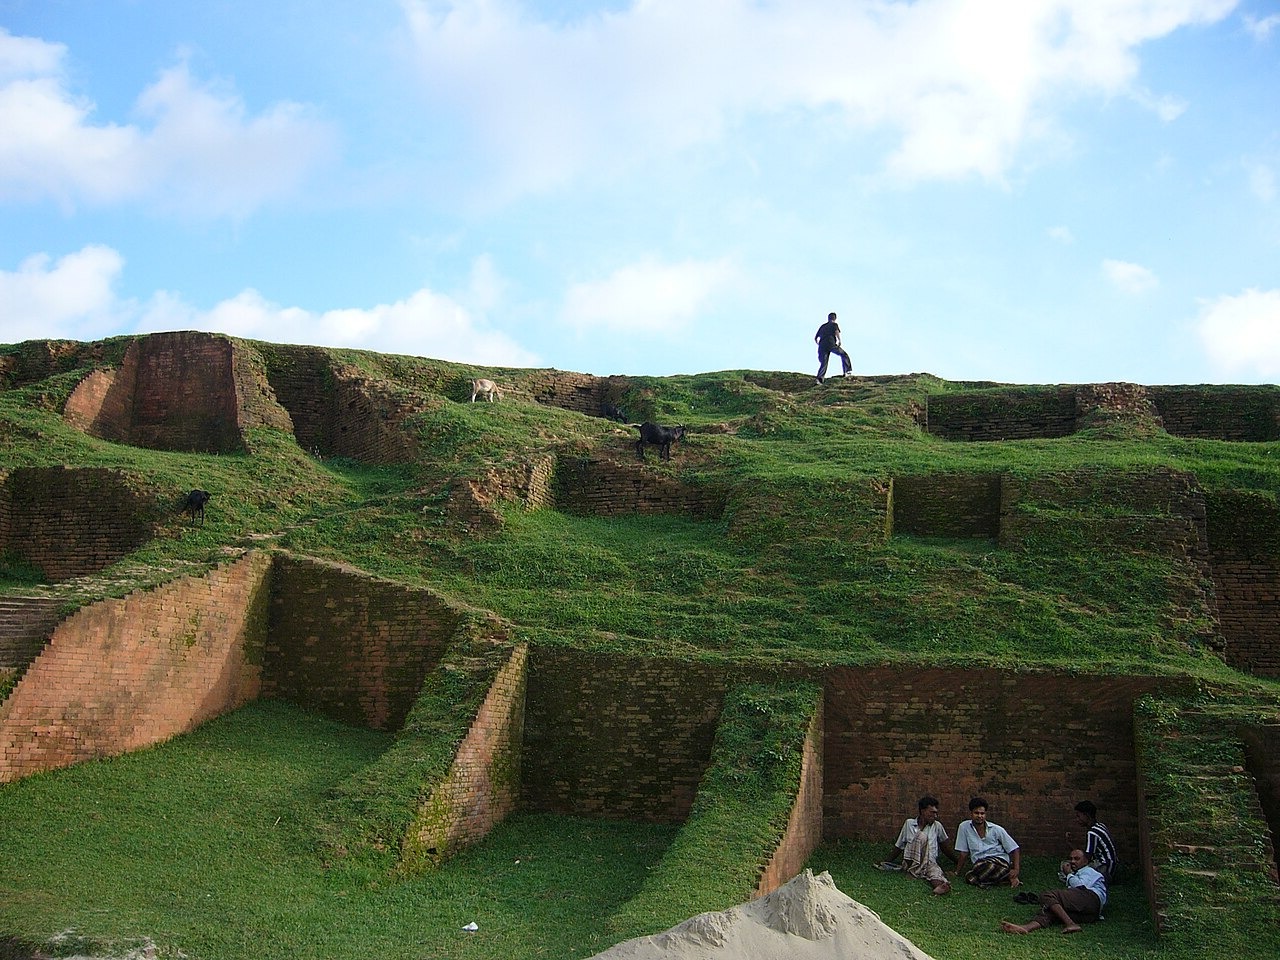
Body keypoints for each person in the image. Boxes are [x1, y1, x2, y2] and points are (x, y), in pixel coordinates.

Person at [1001, 848, 1107, 935]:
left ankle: (1070, 924)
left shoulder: (1089, 871)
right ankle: (1027, 928)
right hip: (1089, 915)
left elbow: (1081, 886)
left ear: (1086, 861)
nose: (1072, 861)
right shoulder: (1077, 874)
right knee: (1052, 911)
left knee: (1047, 895)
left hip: (1092, 899)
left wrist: (1069, 874)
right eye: (1071, 859)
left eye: (1077, 859)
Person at [877, 795, 957, 895]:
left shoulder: (937, 826)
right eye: (932, 813)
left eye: (936, 813)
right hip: (911, 862)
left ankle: (940, 886)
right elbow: (899, 846)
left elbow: (945, 847)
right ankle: (913, 872)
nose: (935, 816)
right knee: (921, 836)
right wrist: (886, 861)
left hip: (929, 861)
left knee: (935, 872)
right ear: (923, 811)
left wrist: (956, 862)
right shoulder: (909, 823)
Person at [953, 796, 1022, 887]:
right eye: (976, 813)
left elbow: (1015, 848)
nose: (979, 816)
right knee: (970, 877)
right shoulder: (964, 827)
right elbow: (964, 853)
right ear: (971, 813)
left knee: (982, 871)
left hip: (999, 861)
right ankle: (1005, 878)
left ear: (985, 814)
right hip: (979, 864)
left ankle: (1001, 876)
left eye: (982, 813)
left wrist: (1016, 870)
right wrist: (957, 872)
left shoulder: (996, 829)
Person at [1073, 800, 1118, 882]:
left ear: (1087, 815)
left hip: (1104, 869)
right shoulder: (1100, 825)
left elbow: (1087, 858)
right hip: (1111, 866)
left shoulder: (1092, 833)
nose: (1077, 819)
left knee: (1070, 867)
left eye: (1078, 816)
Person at [814, 311, 852, 384]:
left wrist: (819, 344)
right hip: (831, 344)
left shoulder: (823, 326)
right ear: (835, 318)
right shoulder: (834, 325)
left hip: (822, 346)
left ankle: (819, 379)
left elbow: (816, 338)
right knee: (844, 354)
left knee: (824, 363)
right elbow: (836, 332)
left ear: (828, 318)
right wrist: (839, 340)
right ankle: (847, 371)